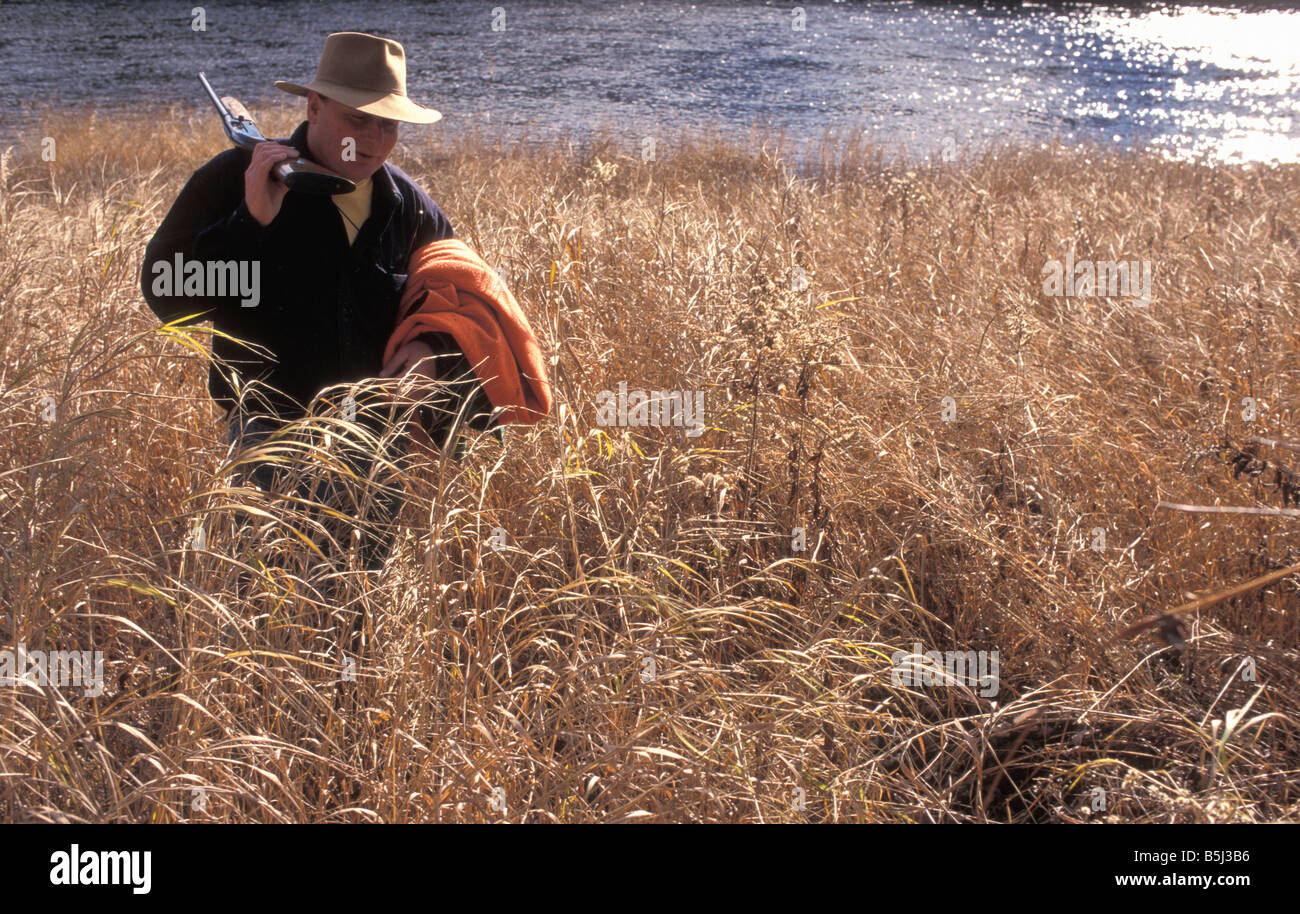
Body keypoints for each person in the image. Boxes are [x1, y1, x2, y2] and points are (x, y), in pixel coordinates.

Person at [141, 31, 491, 580]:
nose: (374, 139)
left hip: (377, 445)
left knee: (359, 603)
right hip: (267, 440)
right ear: (312, 107)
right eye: (358, 119)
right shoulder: (234, 180)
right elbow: (166, 294)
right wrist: (248, 224)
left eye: (389, 124)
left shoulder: (409, 207)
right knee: (259, 611)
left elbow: (458, 297)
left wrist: (429, 349)